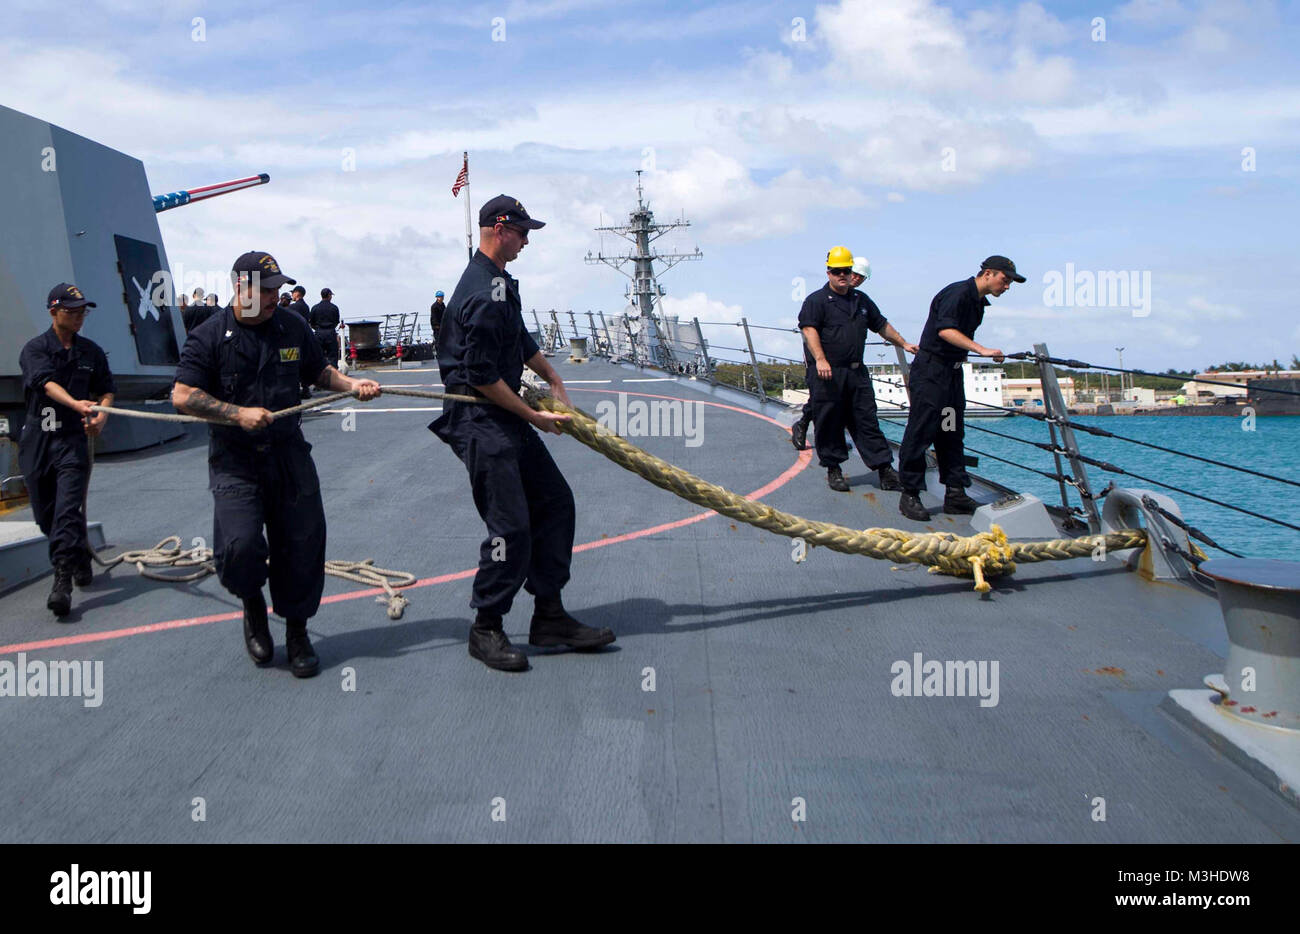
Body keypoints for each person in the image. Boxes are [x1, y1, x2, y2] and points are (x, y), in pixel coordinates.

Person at [172, 252, 381, 677]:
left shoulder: (292, 326)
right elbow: (181, 395)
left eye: (277, 290)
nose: (274, 297)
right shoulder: (209, 335)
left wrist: (351, 383)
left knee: (302, 543)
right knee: (241, 547)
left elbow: (319, 372)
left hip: (288, 454)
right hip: (236, 461)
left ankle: (297, 632)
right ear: (239, 289)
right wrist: (236, 413)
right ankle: (252, 605)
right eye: (265, 290)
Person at [429, 194, 614, 672]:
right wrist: (535, 417)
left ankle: (549, 615)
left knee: (554, 502)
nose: (528, 241)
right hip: (481, 420)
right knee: (510, 528)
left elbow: (519, 338)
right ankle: (486, 626)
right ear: (500, 228)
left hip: (503, 412)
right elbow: (482, 374)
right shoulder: (481, 291)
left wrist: (553, 377)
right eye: (523, 232)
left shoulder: (498, 284)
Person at [896, 256, 1019, 522]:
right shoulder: (958, 294)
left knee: (951, 431)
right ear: (988, 273)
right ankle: (910, 494)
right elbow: (945, 331)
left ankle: (955, 493)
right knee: (921, 431)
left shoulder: (978, 303)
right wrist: (981, 350)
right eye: (1005, 280)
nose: (1007, 286)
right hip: (932, 373)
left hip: (951, 376)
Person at [18, 284, 116, 617]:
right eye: (71, 311)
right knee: (46, 516)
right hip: (39, 440)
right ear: (53, 312)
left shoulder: (92, 352)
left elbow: (106, 390)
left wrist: (101, 416)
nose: (78, 317)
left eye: (82, 312)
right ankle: (79, 553)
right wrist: (75, 403)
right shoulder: (35, 350)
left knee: (67, 509)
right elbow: (45, 383)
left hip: (72, 441)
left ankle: (62, 580)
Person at [798, 246, 916, 493]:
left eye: (847, 271)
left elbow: (881, 324)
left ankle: (884, 469)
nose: (843, 275)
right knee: (829, 421)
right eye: (837, 271)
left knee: (867, 420)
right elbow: (809, 329)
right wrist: (820, 359)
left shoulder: (861, 300)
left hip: (856, 372)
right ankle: (834, 468)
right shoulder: (816, 301)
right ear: (828, 272)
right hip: (828, 372)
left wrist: (903, 343)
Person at [791, 255, 871, 451]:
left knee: (833, 400)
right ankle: (803, 426)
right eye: (856, 275)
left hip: (845, 366)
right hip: (820, 358)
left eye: (862, 277)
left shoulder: (857, 301)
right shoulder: (821, 299)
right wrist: (819, 358)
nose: (857, 279)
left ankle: (821, 432)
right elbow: (810, 329)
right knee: (823, 399)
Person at [288, 286, 314, 397]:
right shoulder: (306, 307)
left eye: (293, 293)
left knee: (292, 363)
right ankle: (305, 388)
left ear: (297, 293)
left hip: (293, 339)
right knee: (304, 363)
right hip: (304, 338)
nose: (292, 295)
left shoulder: (293, 307)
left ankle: (293, 388)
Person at [309, 288, 341, 369]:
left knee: (318, 356)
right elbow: (336, 321)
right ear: (329, 295)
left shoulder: (315, 308)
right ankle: (333, 376)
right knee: (333, 357)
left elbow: (311, 322)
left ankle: (319, 376)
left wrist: (317, 329)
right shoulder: (334, 307)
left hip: (319, 332)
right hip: (330, 332)